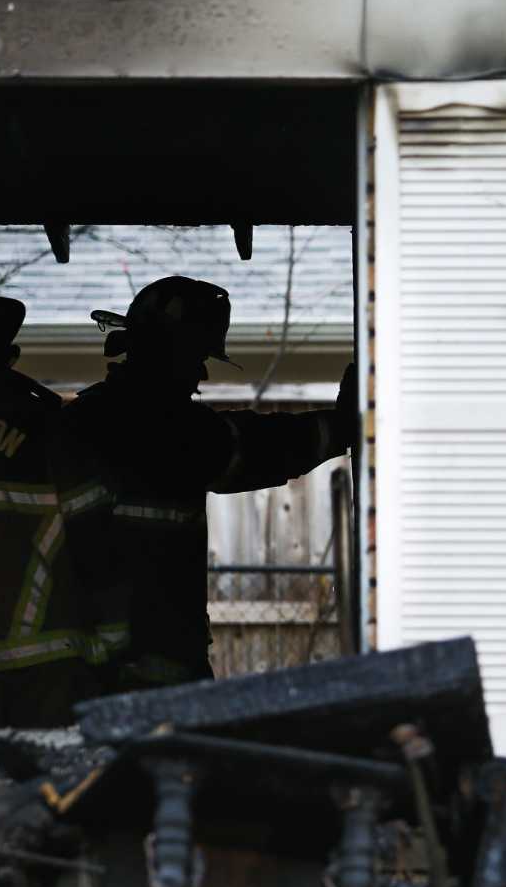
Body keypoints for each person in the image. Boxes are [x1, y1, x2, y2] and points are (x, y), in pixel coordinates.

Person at [62, 275, 357, 690]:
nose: (201, 372)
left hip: (82, 671)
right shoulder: (169, 431)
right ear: (169, 353)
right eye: (196, 357)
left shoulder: (77, 422)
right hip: (155, 672)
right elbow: (258, 447)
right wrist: (343, 426)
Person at [0, 285, 110, 726]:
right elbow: (102, 545)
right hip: (46, 678)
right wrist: (112, 655)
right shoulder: (55, 431)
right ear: (6, 358)